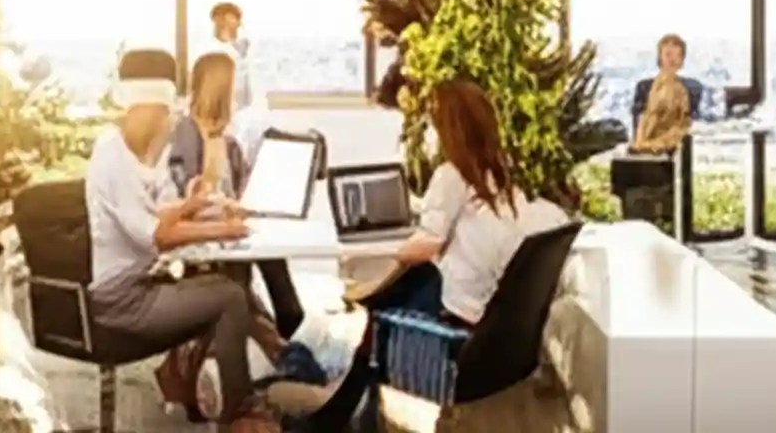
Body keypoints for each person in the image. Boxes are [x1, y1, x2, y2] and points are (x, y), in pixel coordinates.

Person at [309, 79, 571, 431]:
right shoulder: (498, 173)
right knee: (399, 289)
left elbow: (427, 245)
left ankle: (331, 420)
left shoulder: (452, 175)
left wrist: (386, 251)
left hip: (459, 321)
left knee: (383, 305)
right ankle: (351, 416)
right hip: (486, 318)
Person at [83, 47, 276, 432]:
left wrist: (191, 204)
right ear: (146, 108)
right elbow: (160, 236)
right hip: (121, 300)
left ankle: (193, 382)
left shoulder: (134, 153)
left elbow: (158, 215)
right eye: (162, 112)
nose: (167, 120)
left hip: (144, 284)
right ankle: (237, 412)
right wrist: (222, 229)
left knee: (221, 287)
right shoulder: (112, 156)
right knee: (229, 296)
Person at [156, 51, 303, 420]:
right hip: (199, 235)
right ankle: (282, 350)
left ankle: (287, 343)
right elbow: (183, 195)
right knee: (246, 275)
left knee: (271, 257)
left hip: (227, 232)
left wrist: (241, 205)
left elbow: (237, 192)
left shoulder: (231, 141)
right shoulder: (185, 133)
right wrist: (221, 208)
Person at [630, 34, 703, 154]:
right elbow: (640, 119)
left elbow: (688, 122)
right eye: (668, 55)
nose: (672, 60)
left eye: (677, 56)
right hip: (646, 139)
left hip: (674, 141)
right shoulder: (645, 87)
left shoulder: (689, 89)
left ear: (682, 60)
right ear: (660, 57)